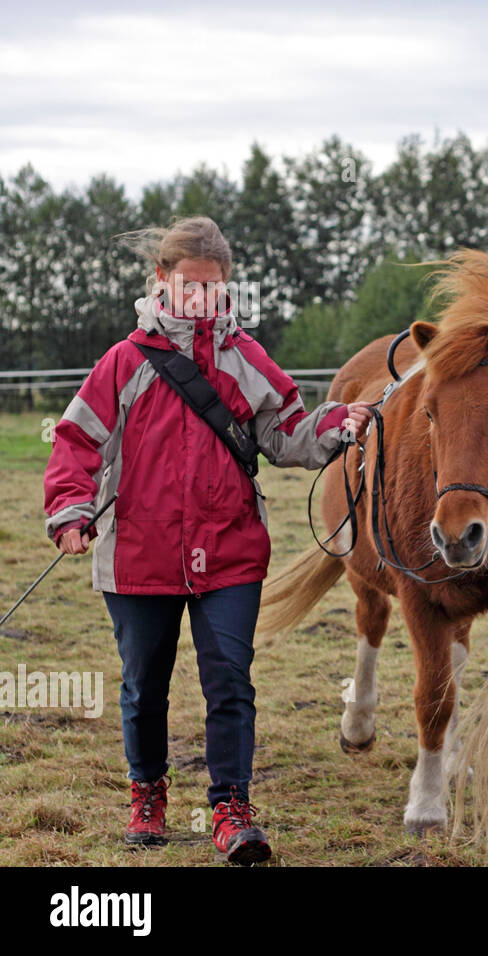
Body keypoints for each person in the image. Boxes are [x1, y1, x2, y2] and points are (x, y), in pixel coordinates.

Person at [43, 216, 372, 864]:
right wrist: (69, 510)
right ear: (162, 281)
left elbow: (288, 434)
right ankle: (148, 794)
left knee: (230, 679)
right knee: (144, 685)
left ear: (227, 287)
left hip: (228, 552)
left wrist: (340, 422)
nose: (201, 299)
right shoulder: (124, 363)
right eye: (189, 285)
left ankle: (231, 811)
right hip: (139, 555)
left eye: (214, 287)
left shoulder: (245, 358)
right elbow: (77, 439)